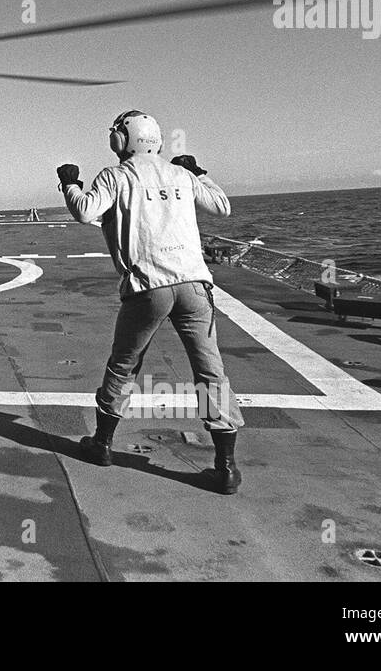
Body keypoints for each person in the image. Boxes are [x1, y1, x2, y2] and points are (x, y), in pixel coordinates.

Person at [56, 109, 243, 494]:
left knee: (124, 365)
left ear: (124, 139)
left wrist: (70, 183)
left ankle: (103, 443)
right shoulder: (181, 176)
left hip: (149, 287)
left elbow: (86, 212)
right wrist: (199, 171)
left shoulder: (117, 175)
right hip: (195, 286)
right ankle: (225, 467)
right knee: (210, 373)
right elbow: (222, 207)